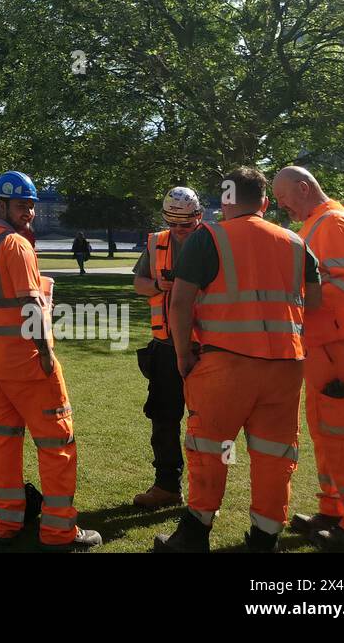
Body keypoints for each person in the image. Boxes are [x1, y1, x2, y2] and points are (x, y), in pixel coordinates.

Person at [155, 166, 319, 553]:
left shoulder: (207, 238)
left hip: (224, 366)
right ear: (264, 202)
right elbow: (312, 303)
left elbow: (179, 303)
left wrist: (181, 354)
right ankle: (264, 538)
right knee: (274, 455)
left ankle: (194, 534)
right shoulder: (298, 243)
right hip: (285, 367)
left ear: (223, 201)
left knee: (210, 449)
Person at [0, 171, 102, 550]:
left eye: (30, 206)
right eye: (22, 205)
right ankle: (59, 530)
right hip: (26, 363)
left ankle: (5, 523)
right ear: (1, 204)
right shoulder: (15, 245)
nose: (28, 212)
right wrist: (45, 353)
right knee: (58, 442)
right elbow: (30, 306)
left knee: (4, 443)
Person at [272, 166, 344, 552]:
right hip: (325, 343)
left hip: (339, 343)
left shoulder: (333, 223)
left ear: (303, 189)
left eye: (284, 196)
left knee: (342, 432)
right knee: (325, 430)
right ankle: (334, 510)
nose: (281, 204)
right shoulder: (316, 224)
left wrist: (295, 294)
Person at [130, 186, 203, 509]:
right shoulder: (156, 242)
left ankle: (206, 491)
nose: (178, 231)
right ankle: (167, 486)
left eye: (185, 225)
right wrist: (159, 285)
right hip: (164, 346)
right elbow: (138, 284)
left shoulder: (213, 241)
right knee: (163, 418)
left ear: (198, 217)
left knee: (209, 422)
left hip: (206, 347)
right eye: (172, 224)